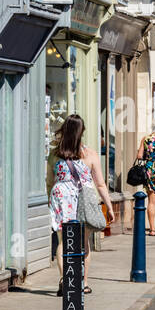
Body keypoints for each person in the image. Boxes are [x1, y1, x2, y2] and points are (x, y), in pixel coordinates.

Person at [48, 114, 115, 294]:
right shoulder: (90, 154)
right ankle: (83, 283)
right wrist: (109, 207)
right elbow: (100, 184)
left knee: (63, 242)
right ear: (81, 132)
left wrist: (51, 200)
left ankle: (65, 280)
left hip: (60, 197)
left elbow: (49, 182)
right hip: (82, 199)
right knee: (83, 242)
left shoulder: (54, 155)